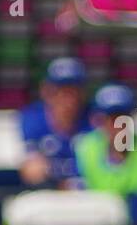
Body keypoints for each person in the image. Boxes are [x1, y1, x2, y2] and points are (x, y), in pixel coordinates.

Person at [73, 82, 137, 225]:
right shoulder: (86, 147)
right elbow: (76, 196)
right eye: (111, 118)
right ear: (99, 121)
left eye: (123, 118)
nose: (118, 125)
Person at [19, 56, 89, 188]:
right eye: (60, 90)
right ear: (46, 90)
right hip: (49, 191)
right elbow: (31, 169)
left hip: (88, 191)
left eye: (73, 90)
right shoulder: (32, 117)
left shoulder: (94, 118)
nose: (67, 98)